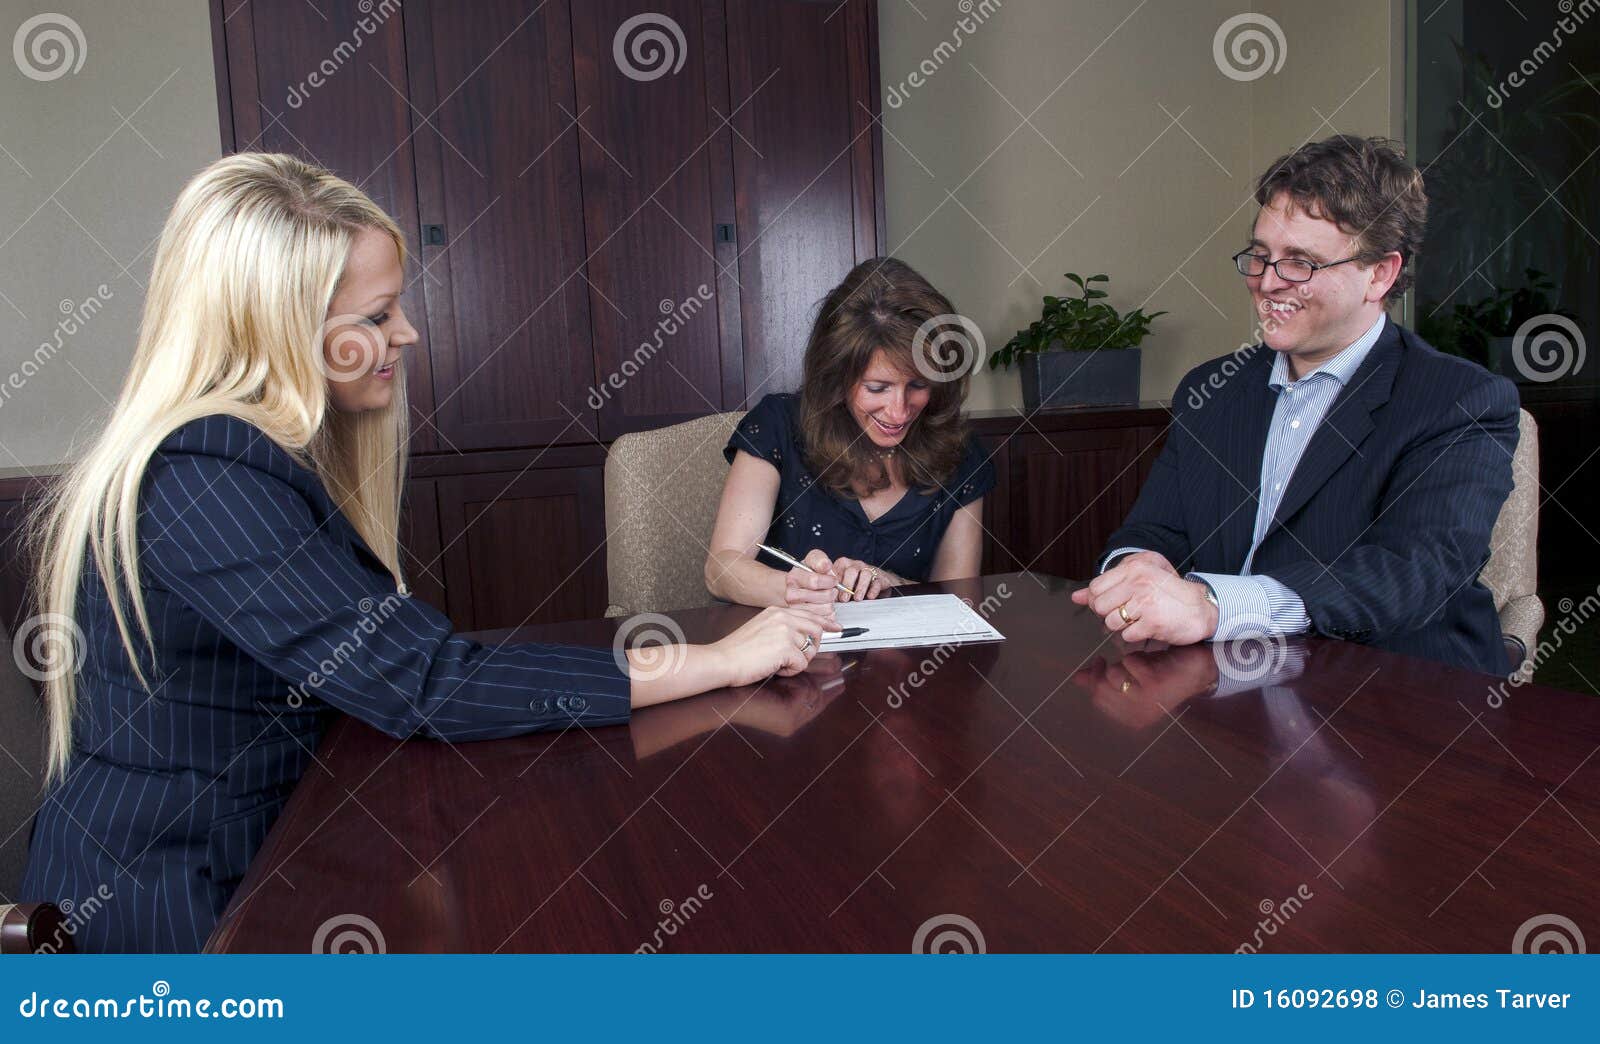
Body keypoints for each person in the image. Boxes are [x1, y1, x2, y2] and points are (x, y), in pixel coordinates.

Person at [19, 153, 826, 952]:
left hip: (270, 849)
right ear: (285, 328)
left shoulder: (238, 454)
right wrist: (718, 660)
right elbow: (424, 682)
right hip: (178, 908)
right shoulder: (204, 475)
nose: (405, 333)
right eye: (376, 317)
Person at [1072, 135, 1519, 675]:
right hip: (1232, 691)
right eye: (1260, 256)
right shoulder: (1211, 389)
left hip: (1402, 701)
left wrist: (1213, 607)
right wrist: (1139, 568)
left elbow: (1412, 574)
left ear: (1380, 274)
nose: (1266, 282)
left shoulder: (1459, 400)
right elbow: (1157, 530)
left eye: (1301, 263)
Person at [706, 258, 995, 611]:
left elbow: (963, 601)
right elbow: (722, 569)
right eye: (877, 388)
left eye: (918, 385)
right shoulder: (778, 425)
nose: (899, 411)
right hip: (784, 650)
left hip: (910, 662)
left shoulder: (961, 452)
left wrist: (892, 584)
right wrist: (803, 588)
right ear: (838, 379)